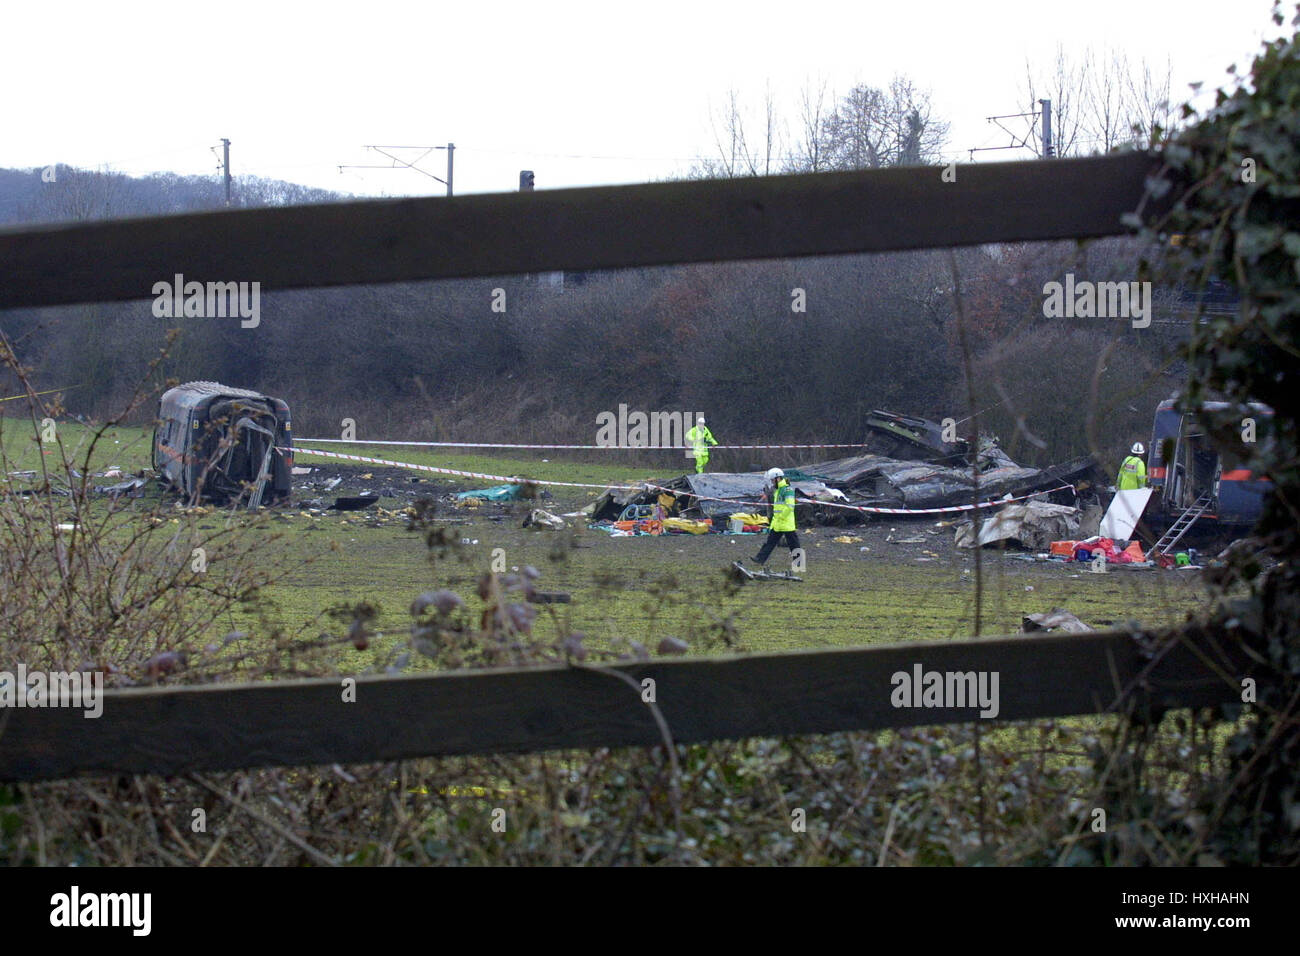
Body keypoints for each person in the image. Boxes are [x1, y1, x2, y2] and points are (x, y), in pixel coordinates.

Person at [753, 467, 801, 566]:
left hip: (786, 523)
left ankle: (799, 562)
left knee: (793, 544)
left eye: (772, 480)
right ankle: (759, 559)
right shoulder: (778, 490)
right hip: (778, 523)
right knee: (770, 542)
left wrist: (781, 517)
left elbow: (790, 506)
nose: (771, 482)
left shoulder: (787, 489)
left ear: (777, 478)